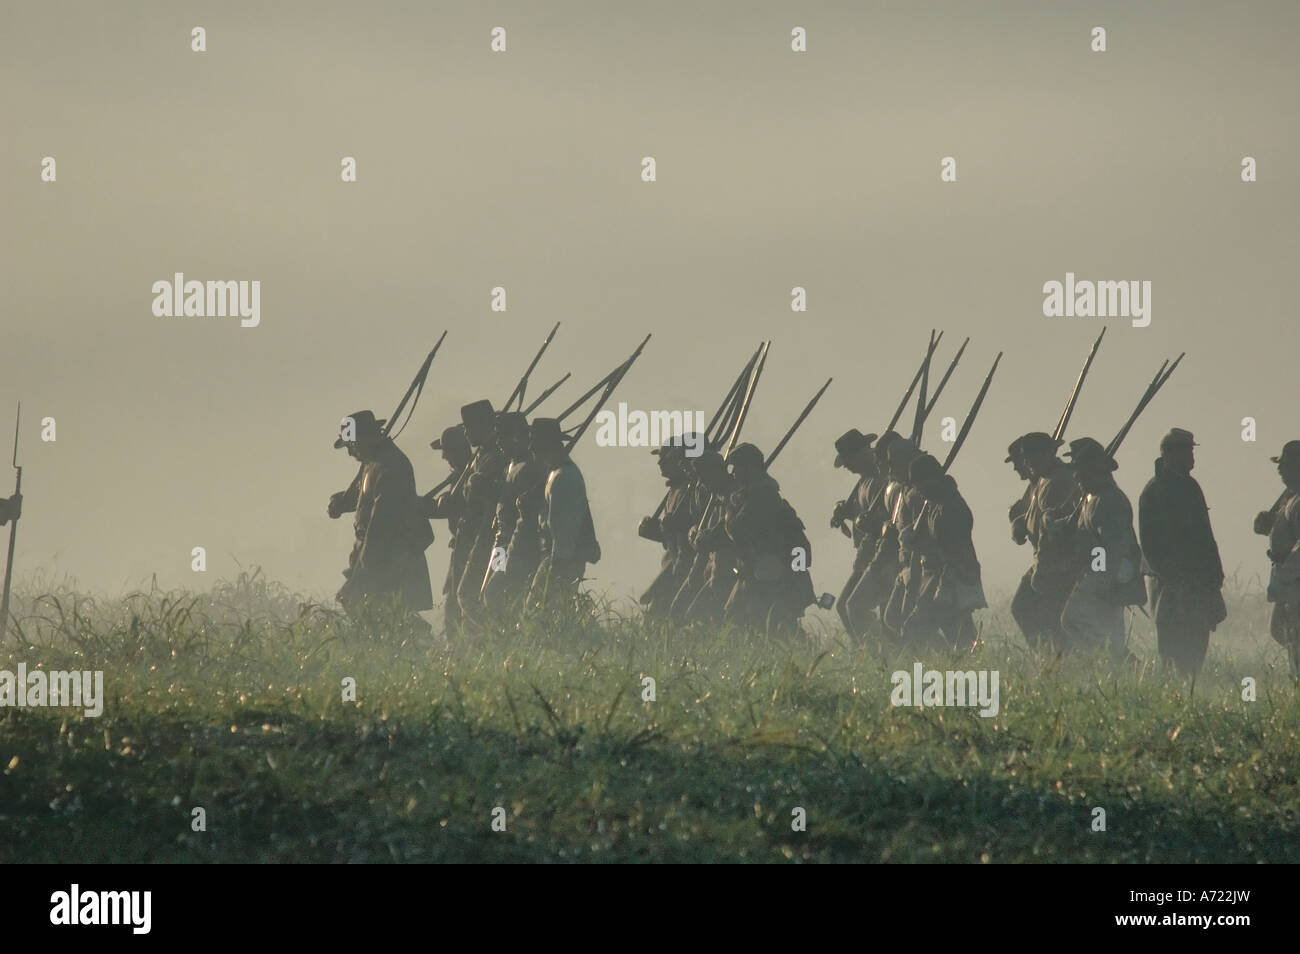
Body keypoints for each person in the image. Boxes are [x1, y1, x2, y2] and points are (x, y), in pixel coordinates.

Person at [1138, 428, 1226, 677]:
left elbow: (1205, 536)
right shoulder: (1154, 491)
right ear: (1168, 454)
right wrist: (1173, 579)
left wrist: (1214, 575)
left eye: (1190, 450)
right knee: (1172, 641)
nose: (1190, 455)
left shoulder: (1190, 486)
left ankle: (1189, 689)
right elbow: (1151, 545)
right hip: (1168, 583)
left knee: (1197, 640)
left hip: (1197, 580)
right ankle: (1175, 692)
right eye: (1185, 450)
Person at [330, 410, 434, 622]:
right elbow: (363, 496)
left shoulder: (390, 465)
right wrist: (341, 503)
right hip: (375, 550)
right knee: (377, 609)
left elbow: (383, 520)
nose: (350, 452)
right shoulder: (372, 463)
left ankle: (418, 646)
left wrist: (368, 563)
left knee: (381, 608)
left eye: (352, 445)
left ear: (366, 438)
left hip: (389, 552)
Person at [710, 443, 815, 635]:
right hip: (759, 571)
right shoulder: (754, 495)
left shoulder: (761, 497)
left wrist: (731, 509)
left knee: (766, 626)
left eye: (738, 467)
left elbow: (736, 530)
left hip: (771, 573)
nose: (734, 473)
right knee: (744, 623)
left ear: (749, 469)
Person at [1060, 437, 1145, 662]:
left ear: (1093, 471)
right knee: (1109, 629)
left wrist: (1102, 577)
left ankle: (1120, 659)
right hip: (1107, 569)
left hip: (1110, 569)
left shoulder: (1109, 500)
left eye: (1080, 471)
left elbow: (1113, 547)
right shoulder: (1093, 498)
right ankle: (1115, 665)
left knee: (1071, 618)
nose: (1076, 476)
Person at [895, 453, 986, 650]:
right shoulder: (934, 502)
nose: (918, 491)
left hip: (949, 579)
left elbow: (951, 549)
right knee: (961, 637)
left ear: (930, 480)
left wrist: (945, 586)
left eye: (920, 485)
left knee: (916, 631)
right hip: (937, 579)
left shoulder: (952, 507)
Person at [1012, 432, 1082, 650]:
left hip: (1056, 564)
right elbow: (1035, 516)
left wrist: (1042, 571)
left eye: (1029, 456)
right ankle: (1051, 657)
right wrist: (1021, 521)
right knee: (1026, 610)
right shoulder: (1042, 480)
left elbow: (1050, 534)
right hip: (1043, 560)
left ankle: (1057, 659)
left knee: (1050, 618)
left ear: (1044, 455)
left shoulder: (1057, 482)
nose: (1025, 462)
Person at [527, 418, 600, 610]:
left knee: (545, 613)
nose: (531, 448)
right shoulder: (555, 474)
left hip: (561, 559)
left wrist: (556, 567)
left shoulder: (563, 478)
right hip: (555, 557)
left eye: (534, 442)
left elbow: (563, 533)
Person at [638, 436, 704, 618]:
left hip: (688, 568)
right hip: (674, 565)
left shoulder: (696, 491)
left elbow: (693, 534)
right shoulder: (675, 490)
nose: (660, 462)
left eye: (667, 457)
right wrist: (656, 530)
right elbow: (672, 537)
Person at [829, 429, 884, 638]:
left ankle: (878, 650)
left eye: (849, 461)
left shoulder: (879, 479)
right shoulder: (864, 480)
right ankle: (869, 649)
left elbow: (878, 521)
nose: (847, 467)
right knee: (845, 606)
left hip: (878, 555)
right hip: (868, 554)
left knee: (852, 606)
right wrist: (843, 510)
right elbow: (858, 511)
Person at [1255, 440, 1300, 676]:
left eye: (1286, 464)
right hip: (1290, 582)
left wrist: (1283, 578)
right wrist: (1269, 525)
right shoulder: (1291, 498)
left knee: (1292, 635)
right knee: (1284, 633)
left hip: (1295, 583)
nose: (1280, 469)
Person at [424, 424, 472, 636]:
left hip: (475, 548)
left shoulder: (472, 476)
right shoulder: (460, 475)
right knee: (455, 597)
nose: (444, 456)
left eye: (448, 450)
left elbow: (456, 507)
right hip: (463, 546)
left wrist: (442, 503)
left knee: (461, 598)